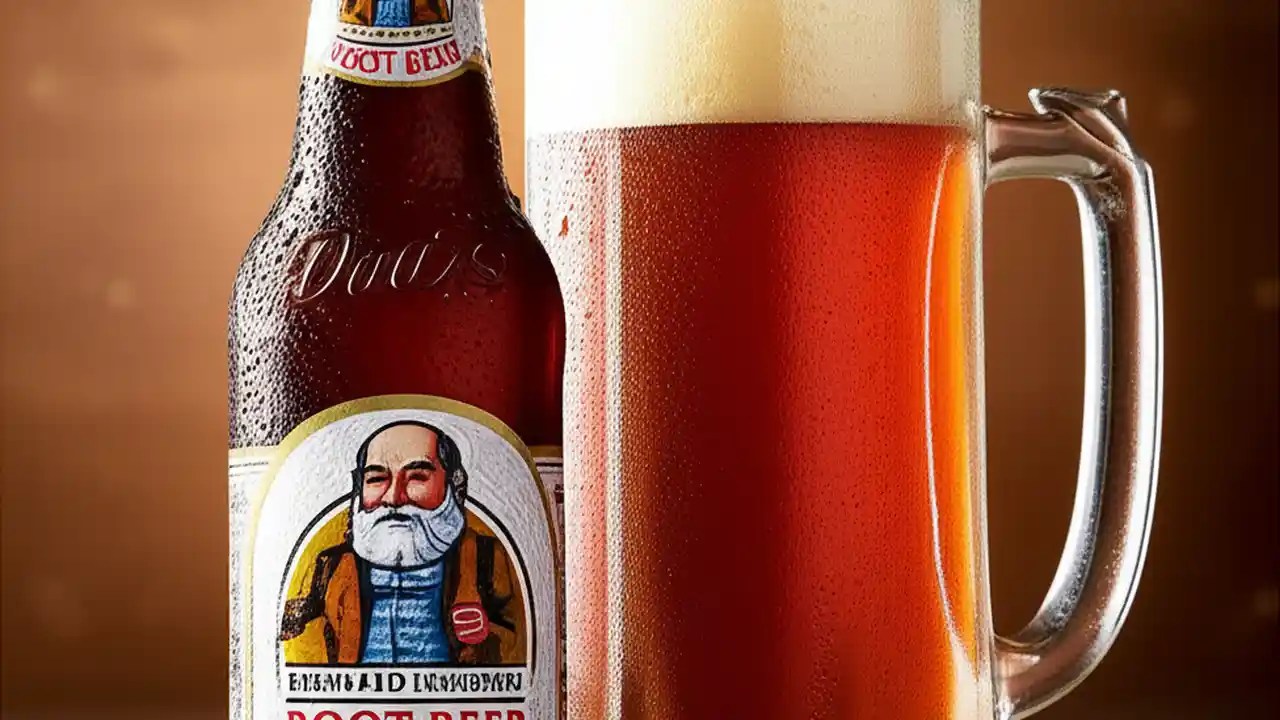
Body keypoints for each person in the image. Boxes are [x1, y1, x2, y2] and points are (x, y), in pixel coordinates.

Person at [280, 421, 525, 664]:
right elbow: (285, 634)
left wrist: (485, 633)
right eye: (377, 479)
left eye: (417, 477)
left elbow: (525, 636)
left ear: (453, 484)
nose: (394, 497)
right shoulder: (332, 564)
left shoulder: (486, 558)